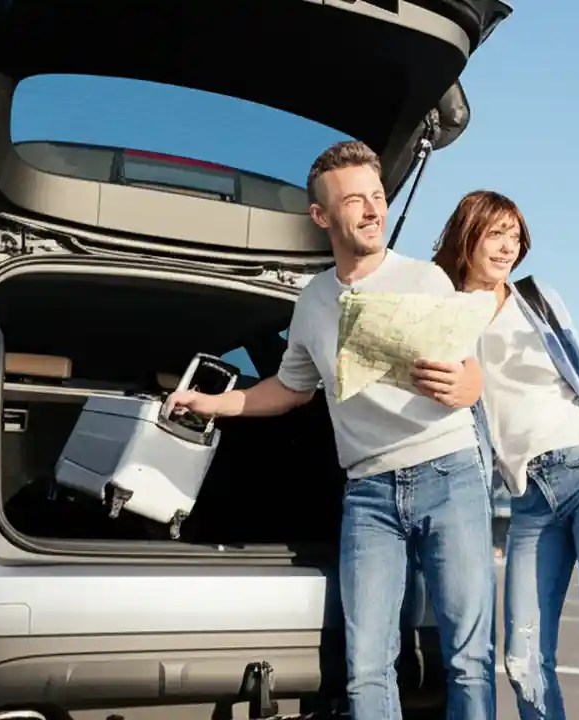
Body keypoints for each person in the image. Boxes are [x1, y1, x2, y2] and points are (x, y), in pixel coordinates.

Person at [166, 142, 497, 720]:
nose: (372, 210)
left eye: (377, 197)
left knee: (467, 659)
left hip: (450, 475)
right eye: (354, 201)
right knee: (367, 667)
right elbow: (290, 389)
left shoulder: (425, 281)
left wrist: (462, 388)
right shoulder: (315, 301)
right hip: (369, 493)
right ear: (322, 217)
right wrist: (216, 403)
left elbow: (471, 380)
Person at [431, 189, 579, 720]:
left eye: (515, 237)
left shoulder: (535, 297)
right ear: (466, 234)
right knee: (521, 659)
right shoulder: (443, 311)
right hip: (529, 495)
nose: (506, 248)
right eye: (496, 234)